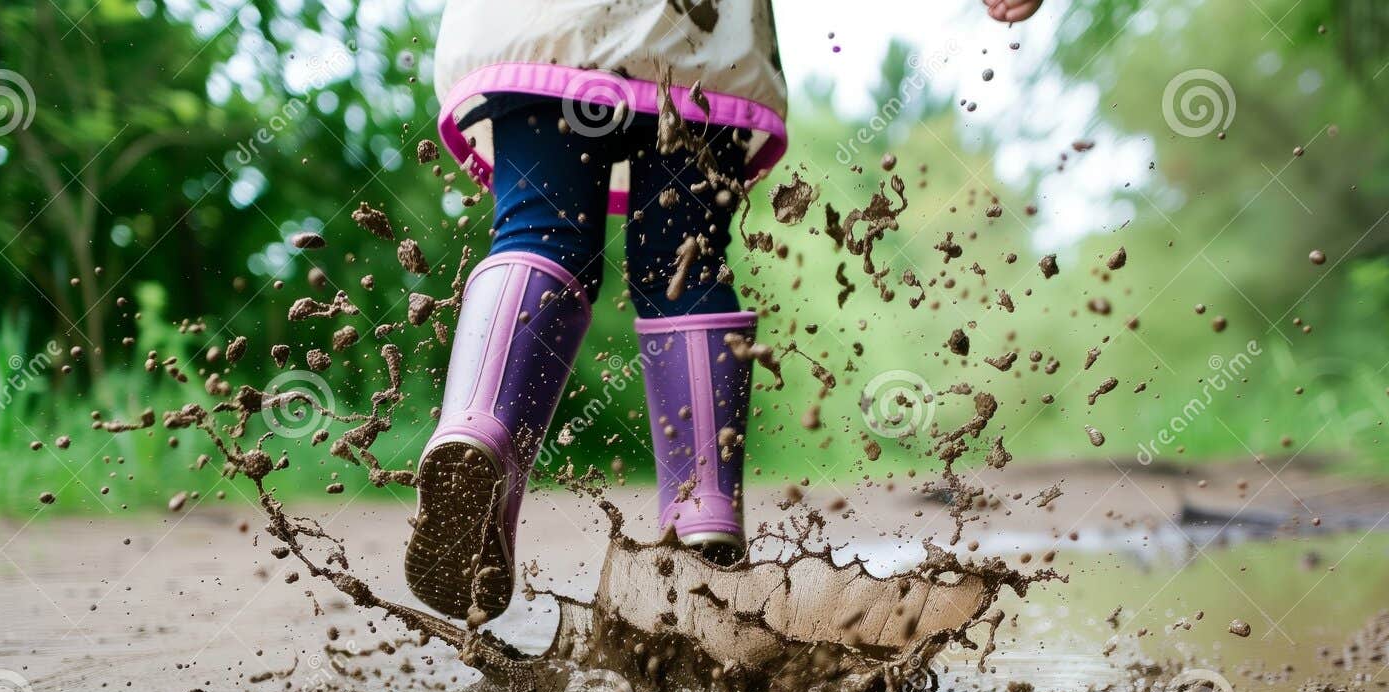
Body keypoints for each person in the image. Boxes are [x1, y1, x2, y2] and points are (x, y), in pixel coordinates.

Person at [406, 0, 1045, 623]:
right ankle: (702, 509)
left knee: (540, 230)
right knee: (687, 261)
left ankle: (478, 429)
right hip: (695, 34)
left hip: (541, 24)